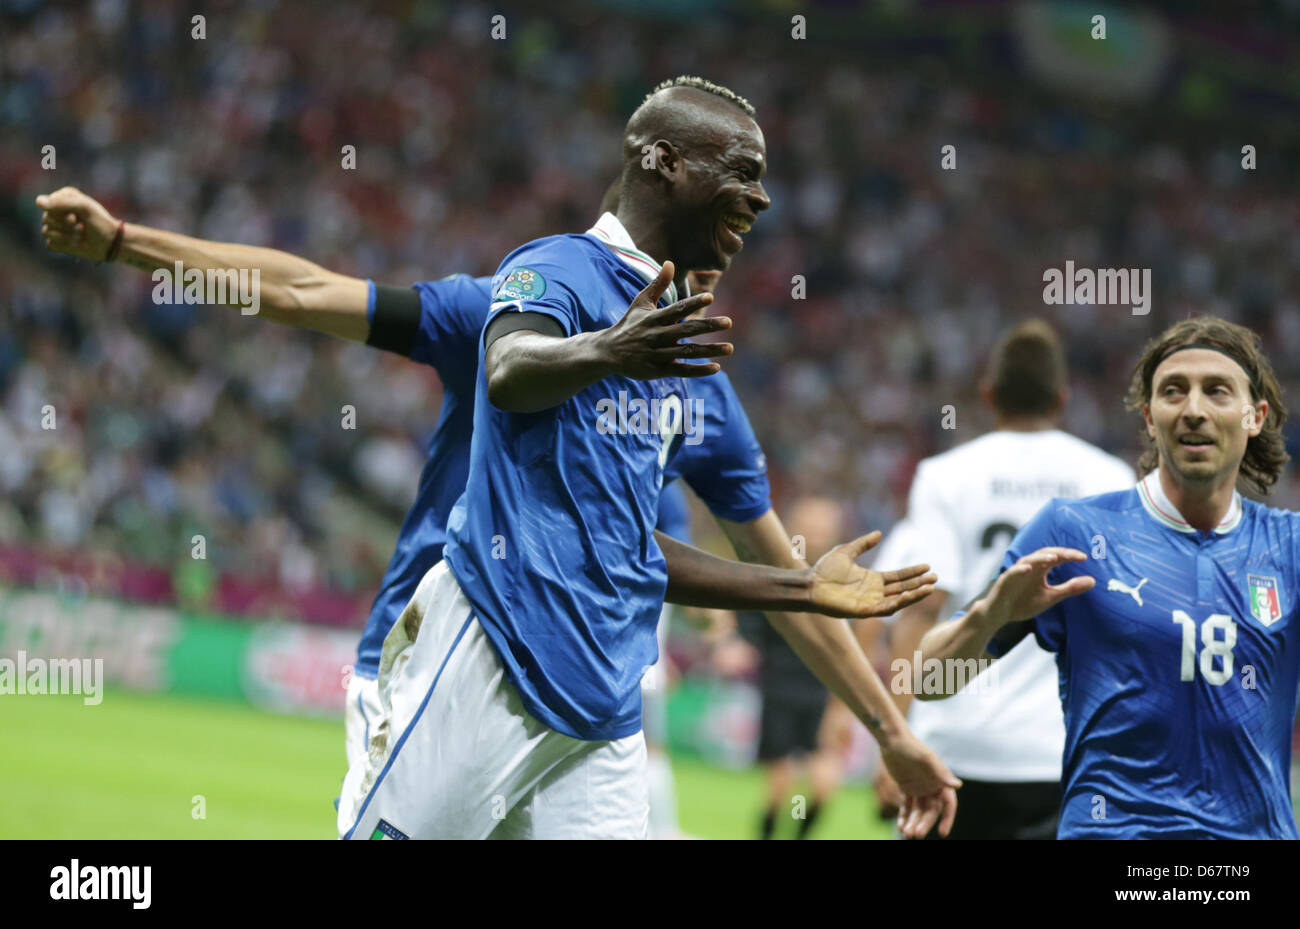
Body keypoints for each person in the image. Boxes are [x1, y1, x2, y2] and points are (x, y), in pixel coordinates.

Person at [336, 77, 957, 839]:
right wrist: (610, 348)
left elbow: (630, 547)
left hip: (605, 713)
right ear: (663, 161)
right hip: (491, 659)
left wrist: (878, 710)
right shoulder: (560, 266)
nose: (759, 201)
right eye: (741, 172)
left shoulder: (693, 370)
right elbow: (507, 369)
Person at [915, 315, 1299, 839]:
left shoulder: (1290, 548)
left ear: (1254, 416)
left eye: (1216, 391)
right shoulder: (1074, 530)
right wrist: (990, 615)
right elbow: (929, 681)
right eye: (1172, 392)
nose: (1193, 410)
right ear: (1148, 416)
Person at [869, 320, 1132, 838]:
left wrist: (893, 737)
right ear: (1063, 397)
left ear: (988, 394)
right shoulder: (1110, 479)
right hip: (1061, 752)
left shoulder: (945, 474)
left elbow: (921, 609)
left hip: (953, 747)